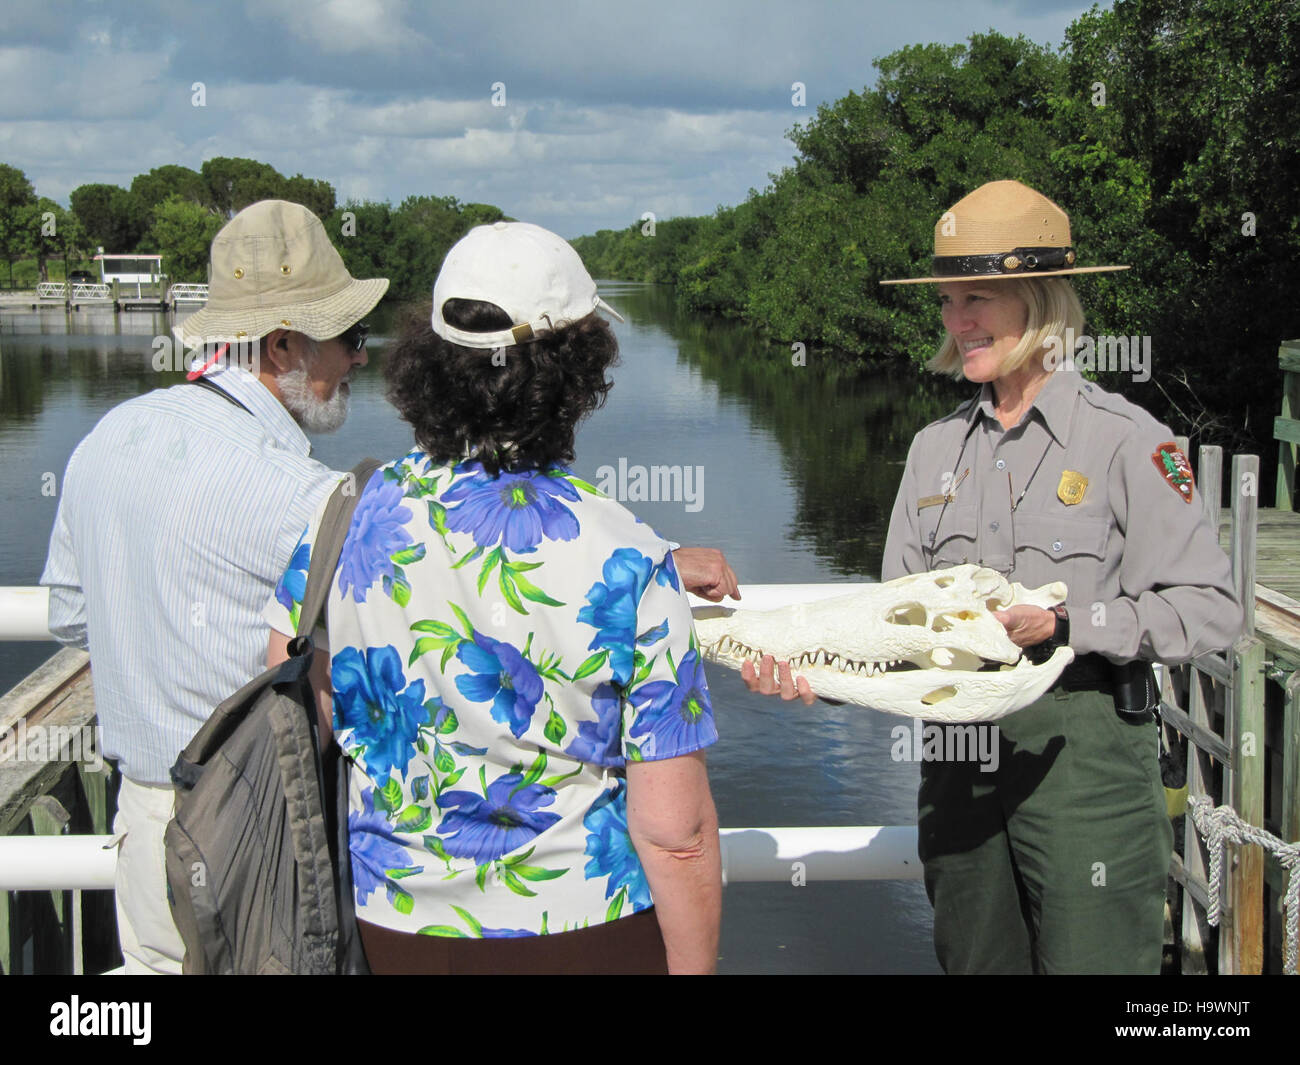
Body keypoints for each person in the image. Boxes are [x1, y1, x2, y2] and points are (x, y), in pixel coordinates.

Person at [265, 222, 725, 974]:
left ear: (432, 361)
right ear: (576, 373)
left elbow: (301, 711)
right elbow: (676, 832)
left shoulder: (344, 518)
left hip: (394, 929)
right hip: (588, 928)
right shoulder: (630, 557)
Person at [875, 179, 1243, 974]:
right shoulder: (932, 451)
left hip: (1086, 756)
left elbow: (1213, 610)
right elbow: (893, 623)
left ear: (1040, 302)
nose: (956, 319)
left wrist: (1074, 626)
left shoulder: (1128, 443)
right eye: (946, 300)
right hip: (957, 755)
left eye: (978, 297)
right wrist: (817, 670)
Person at [40, 199, 390, 974]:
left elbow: (70, 617)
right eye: (352, 339)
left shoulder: (107, 437)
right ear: (283, 346)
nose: (360, 360)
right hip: (255, 835)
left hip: (143, 821)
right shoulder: (300, 492)